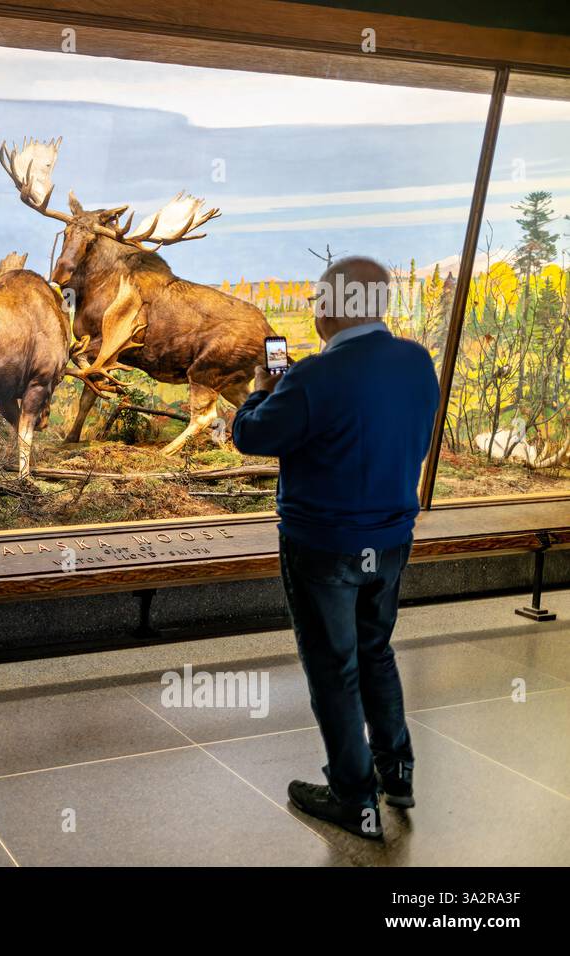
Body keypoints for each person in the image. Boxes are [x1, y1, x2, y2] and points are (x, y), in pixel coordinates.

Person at [232, 256, 439, 840]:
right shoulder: (417, 362)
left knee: (333, 670)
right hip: (392, 540)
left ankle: (355, 798)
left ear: (332, 307)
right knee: (375, 652)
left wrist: (261, 391)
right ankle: (396, 772)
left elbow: (251, 436)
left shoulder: (311, 378)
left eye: (318, 298)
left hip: (324, 547)